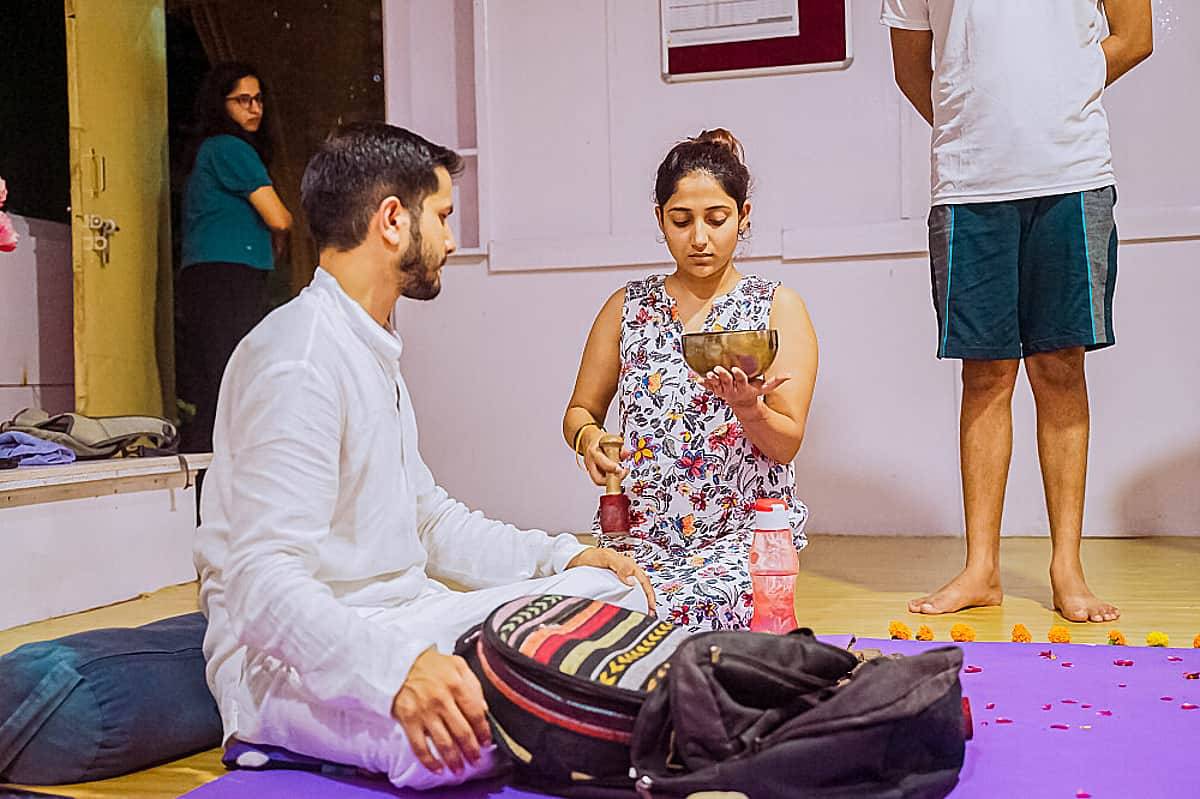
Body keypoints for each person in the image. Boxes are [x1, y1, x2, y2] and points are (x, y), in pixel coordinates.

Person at [194, 122, 655, 789]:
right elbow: (262, 589)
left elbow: (430, 521)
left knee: (614, 588)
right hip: (290, 666)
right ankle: (514, 704)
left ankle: (515, 696)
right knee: (456, 741)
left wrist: (562, 555)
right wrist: (396, 671)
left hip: (408, 621)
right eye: (440, 216)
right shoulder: (297, 358)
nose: (451, 238)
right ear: (391, 220)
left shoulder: (370, 344)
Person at [883, 0, 1153, 621]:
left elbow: (1135, 37)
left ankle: (1068, 567)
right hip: (967, 184)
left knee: (1061, 367)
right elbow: (910, 67)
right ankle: (981, 569)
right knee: (984, 373)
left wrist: (1058, 92)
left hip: (1072, 172)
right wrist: (973, 123)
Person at [563, 129, 818, 631]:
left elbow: (786, 444)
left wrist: (749, 409)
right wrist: (589, 439)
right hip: (638, 536)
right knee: (580, 612)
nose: (699, 238)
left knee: (664, 615)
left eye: (716, 219)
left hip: (739, 539)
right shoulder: (625, 308)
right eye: (681, 221)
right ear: (660, 220)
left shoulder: (775, 308)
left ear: (743, 218)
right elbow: (580, 412)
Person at [177, 61, 292, 453]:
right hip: (223, 275)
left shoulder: (213, 150)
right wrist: (282, 231)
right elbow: (279, 216)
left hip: (219, 274)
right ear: (220, 104)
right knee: (226, 380)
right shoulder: (229, 147)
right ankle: (208, 484)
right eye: (242, 100)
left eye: (258, 99)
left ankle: (209, 481)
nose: (254, 108)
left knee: (222, 378)